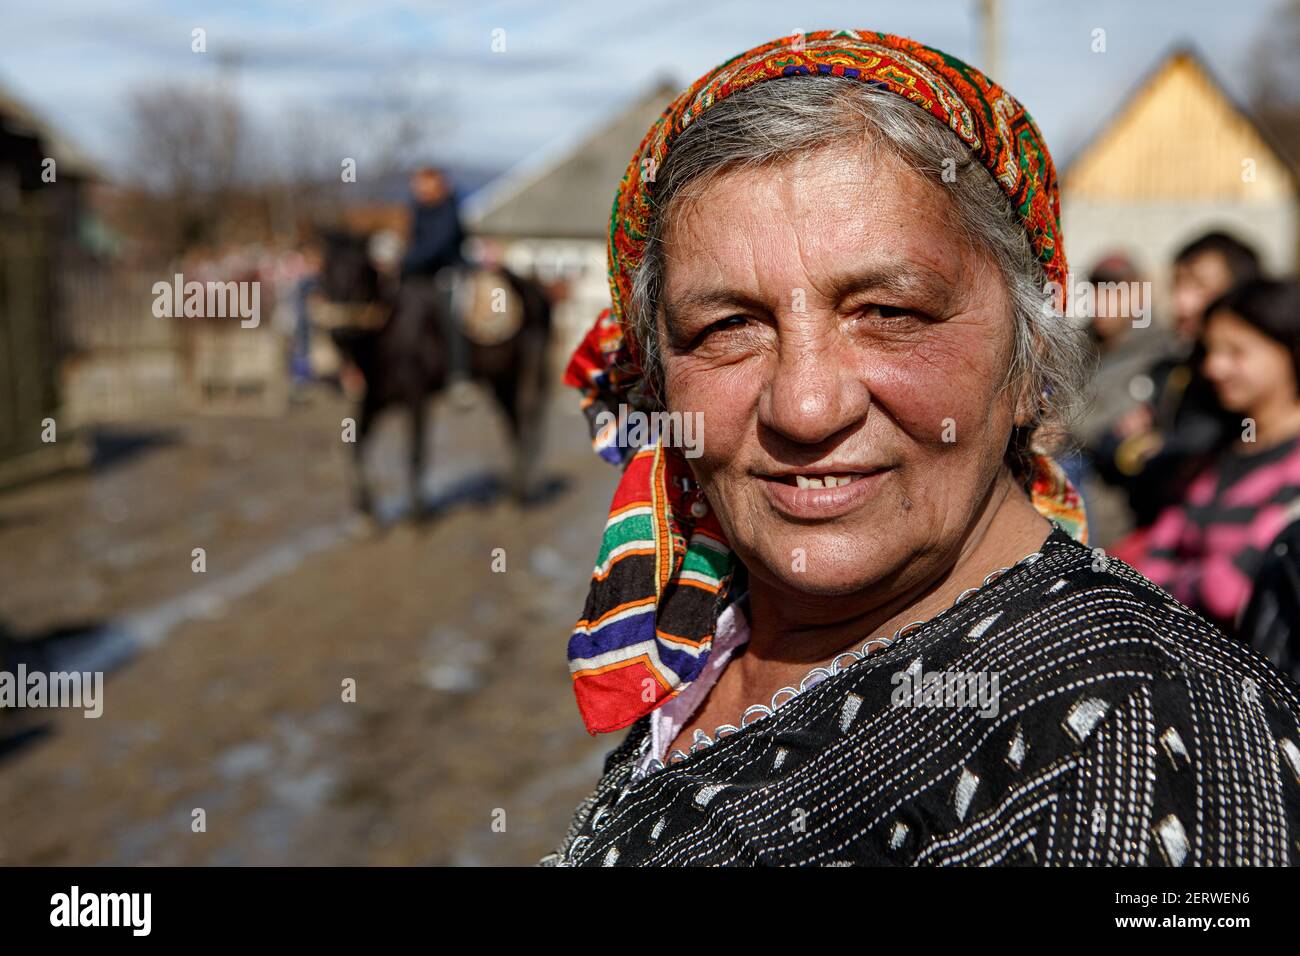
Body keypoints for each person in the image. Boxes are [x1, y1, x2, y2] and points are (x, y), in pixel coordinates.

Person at [544, 30, 1300, 867]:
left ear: (1030, 361)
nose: (803, 405)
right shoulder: (701, 647)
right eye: (728, 327)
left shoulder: (1148, 740)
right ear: (660, 378)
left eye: (890, 313)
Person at [1132, 280, 1300, 636]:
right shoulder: (1222, 454)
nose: (1214, 367)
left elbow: (1226, 591)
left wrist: (1172, 583)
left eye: (1236, 352)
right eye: (1210, 351)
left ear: (1289, 350)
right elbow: (1158, 552)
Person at [1093, 232, 1261, 528]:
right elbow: (1112, 441)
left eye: (1198, 287)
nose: (1182, 303)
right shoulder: (1173, 370)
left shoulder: (1255, 374)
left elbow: (1196, 449)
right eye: (1178, 284)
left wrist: (1159, 447)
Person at [400, 166, 474, 406]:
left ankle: (459, 374)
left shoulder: (449, 209)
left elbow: (437, 246)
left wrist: (406, 263)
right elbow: (414, 242)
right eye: (417, 185)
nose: (420, 189)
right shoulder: (418, 210)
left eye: (424, 184)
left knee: (452, 310)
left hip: (449, 272)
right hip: (420, 275)